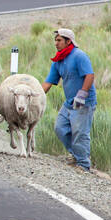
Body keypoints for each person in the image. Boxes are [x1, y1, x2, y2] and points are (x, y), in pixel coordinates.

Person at [41, 27, 96, 172]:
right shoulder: (58, 61)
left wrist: (82, 94)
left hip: (83, 101)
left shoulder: (79, 56)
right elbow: (49, 82)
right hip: (69, 102)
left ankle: (83, 165)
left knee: (79, 132)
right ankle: (77, 155)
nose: (56, 43)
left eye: (59, 40)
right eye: (55, 40)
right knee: (60, 128)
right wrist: (36, 95)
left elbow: (89, 75)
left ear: (68, 41)